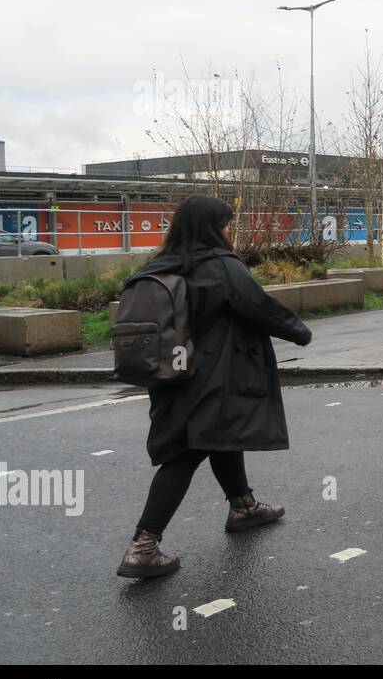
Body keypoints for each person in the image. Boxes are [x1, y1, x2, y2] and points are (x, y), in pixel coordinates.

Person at [117, 196, 312, 579]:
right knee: (187, 452)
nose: (229, 231)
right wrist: (299, 332)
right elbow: (255, 304)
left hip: (171, 372)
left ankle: (243, 506)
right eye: (226, 224)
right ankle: (143, 546)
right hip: (211, 372)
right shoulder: (220, 266)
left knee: (218, 433)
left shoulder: (160, 265)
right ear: (212, 227)